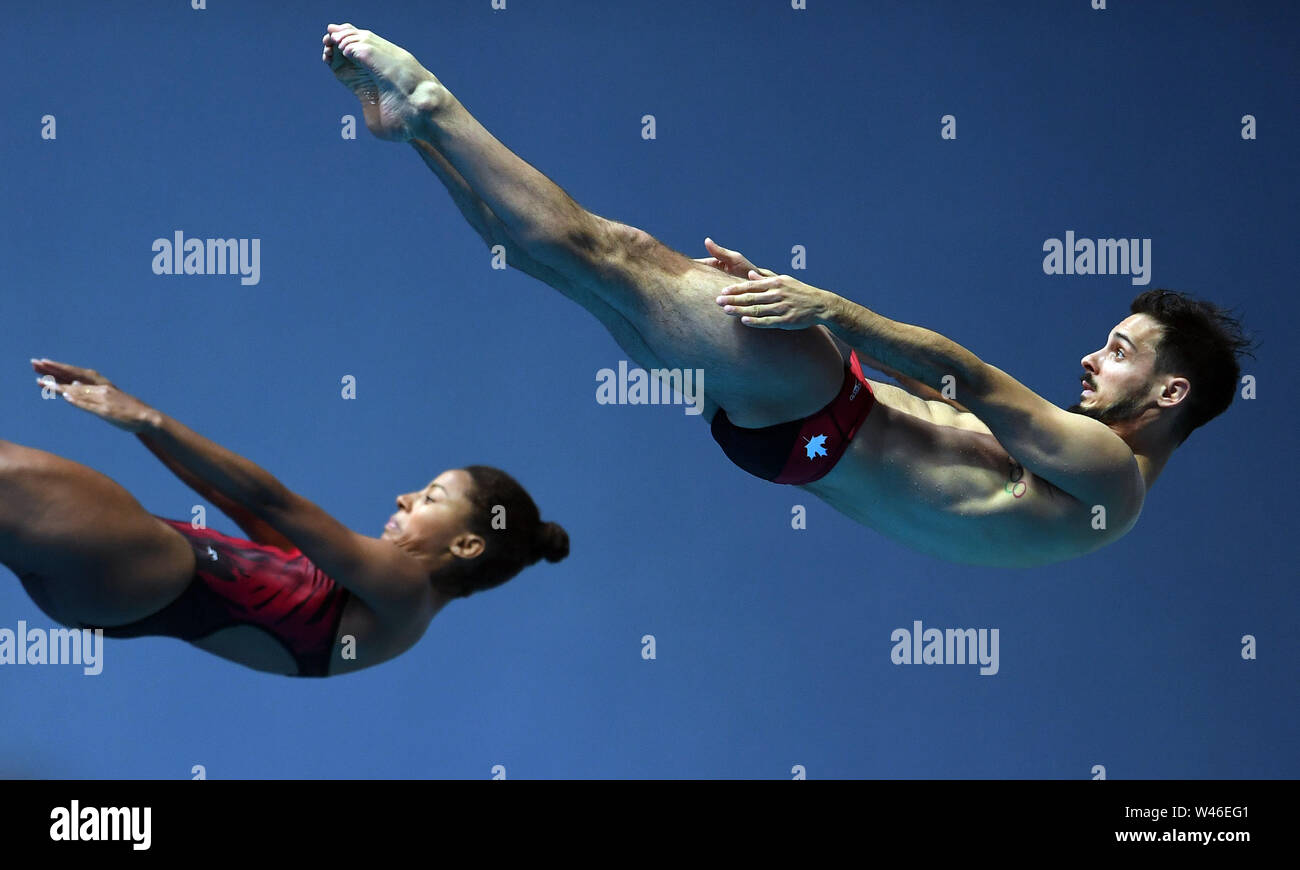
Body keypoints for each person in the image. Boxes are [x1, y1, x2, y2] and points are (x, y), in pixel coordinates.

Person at [321, 24, 1253, 567]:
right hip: (790, 440)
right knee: (566, 270)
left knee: (611, 253)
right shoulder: (1092, 507)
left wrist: (829, 311)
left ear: (1172, 394)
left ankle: (431, 101)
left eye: (1124, 351)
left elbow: (965, 375)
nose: (1094, 356)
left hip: (819, 411)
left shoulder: (1107, 476)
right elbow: (945, 420)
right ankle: (416, 136)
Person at [2, 359, 568, 676]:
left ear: (467, 547)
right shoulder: (352, 593)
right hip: (122, 586)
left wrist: (151, 419)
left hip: (145, 563)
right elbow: (239, 502)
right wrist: (131, 416)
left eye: (432, 497)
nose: (404, 498)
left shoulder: (408, 590)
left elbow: (277, 502)